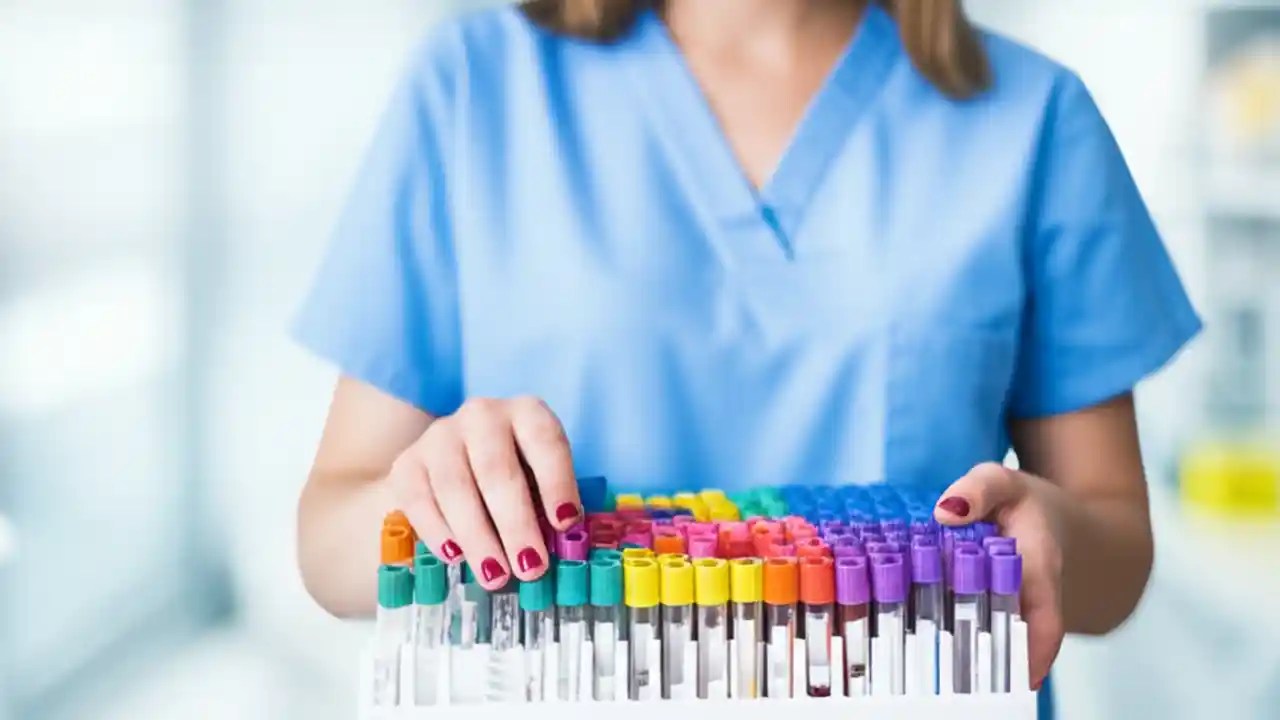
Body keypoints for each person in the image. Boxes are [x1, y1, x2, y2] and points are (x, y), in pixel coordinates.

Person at [293, 0, 1200, 712]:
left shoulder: (1036, 118)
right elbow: (329, 545)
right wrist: (429, 504)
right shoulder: (470, 89)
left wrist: (1048, 540)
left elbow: (1117, 554)